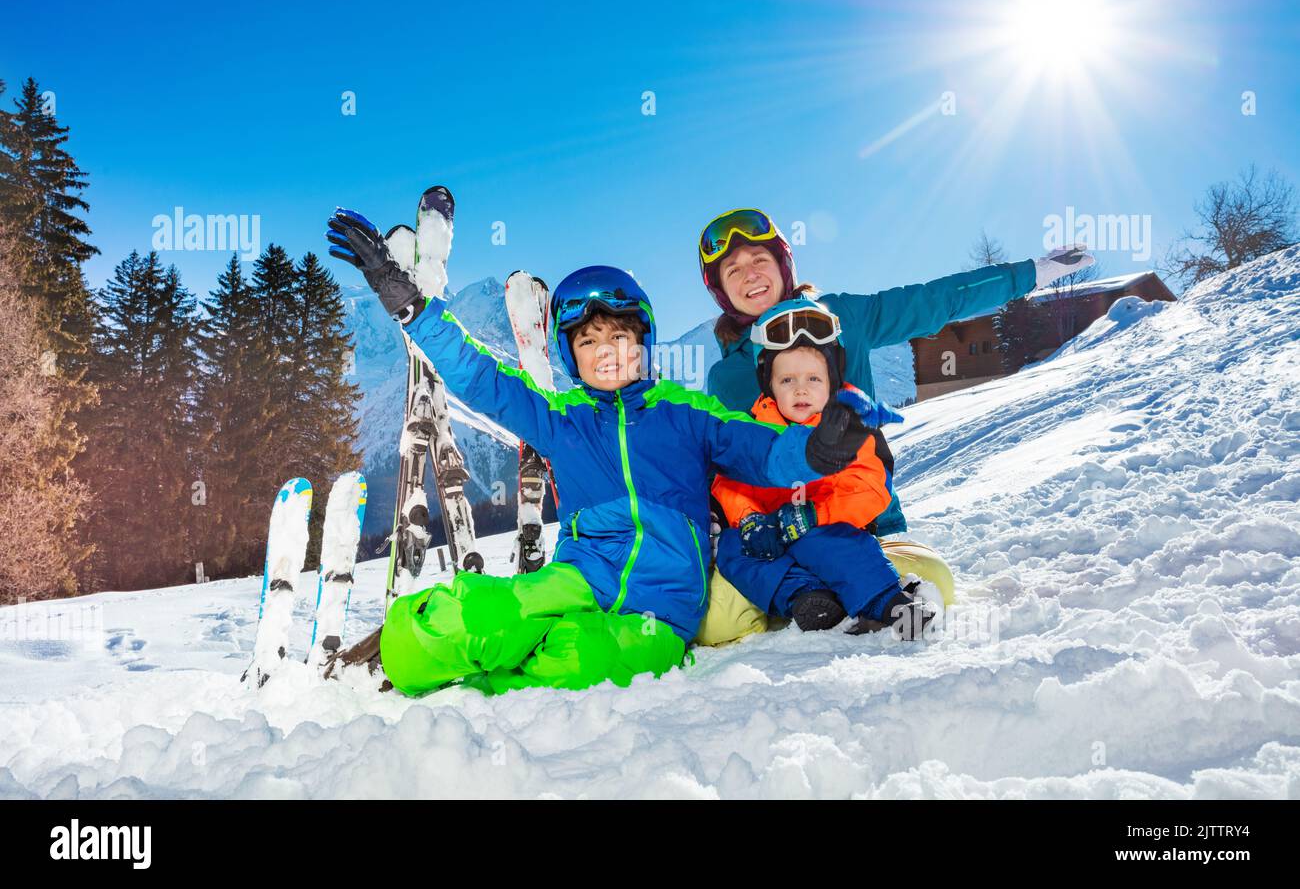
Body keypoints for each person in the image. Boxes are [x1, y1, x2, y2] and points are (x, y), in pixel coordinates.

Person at [326, 205, 887, 696]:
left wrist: (819, 449)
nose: (607, 352)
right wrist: (411, 308)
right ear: (572, 357)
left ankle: (484, 673)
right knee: (464, 614)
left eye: (619, 337)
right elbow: (479, 378)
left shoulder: (688, 415)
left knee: (583, 657)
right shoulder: (561, 420)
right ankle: (404, 652)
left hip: (660, 608)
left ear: (642, 341)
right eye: (589, 342)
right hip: (576, 580)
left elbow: (767, 455)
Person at [693, 208, 1095, 645]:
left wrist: (1030, 274)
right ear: (721, 291)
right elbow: (722, 466)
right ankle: (807, 597)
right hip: (773, 541)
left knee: (932, 578)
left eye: (759, 260)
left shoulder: (843, 316)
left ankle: (849, 594)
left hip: (857, 529)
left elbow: (934, 301)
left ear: (783, 266)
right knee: (714, 624)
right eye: (733, 270)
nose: (749, 275)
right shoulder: (726, 377)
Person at [711, 298, 951, 638]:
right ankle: (808, 600)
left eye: (813, 378)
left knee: (832, 541)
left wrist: (815, 515)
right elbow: (730, 484)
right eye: (787, 380)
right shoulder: (753, 428)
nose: (801, 389)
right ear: (769, 384)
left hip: (826, 530)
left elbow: (871, 487)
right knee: (736, 549)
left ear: (833, 379)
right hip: (771, 537)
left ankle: (886, 601)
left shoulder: (850, 426)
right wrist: (750, 519)